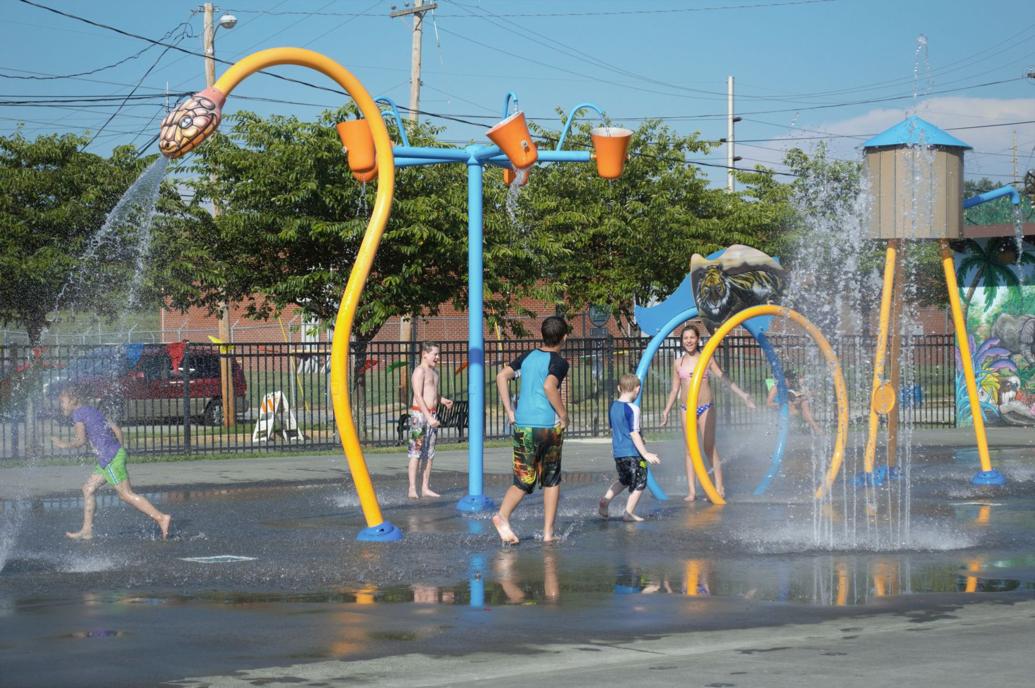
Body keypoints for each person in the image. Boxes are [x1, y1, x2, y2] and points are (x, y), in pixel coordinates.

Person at [52, 386, 171, 540]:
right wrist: (119, 451)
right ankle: (87, 530)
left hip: (109, 459)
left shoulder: (77, 415)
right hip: (110, 457)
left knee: (125, 494)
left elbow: (80, 441)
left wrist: (63, 444)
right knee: (88, 489)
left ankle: (161, 517)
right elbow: (117, 430)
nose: (61, 406)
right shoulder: (93, 411)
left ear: (73, 401)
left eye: (63, 402)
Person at [492, 315, 570, 545]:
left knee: (524, 480)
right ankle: (547, 534)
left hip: (523, 426)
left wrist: (510, 411)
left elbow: (501, 376)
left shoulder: (528, 356)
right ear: (564, 338)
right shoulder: (559, 362)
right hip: (548, 427)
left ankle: (502, 515)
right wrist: (564, 415)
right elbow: (549, 386)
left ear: (542, 336)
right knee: (551, 479)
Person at [661, 324, 755, 501]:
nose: (688, 341)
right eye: (685, 338)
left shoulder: (706, 358)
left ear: (697, 339)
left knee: (708, 447)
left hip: (705, 407)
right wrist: (666, 411)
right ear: (682, 341)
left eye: (692, 337)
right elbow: (674, 390)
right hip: (685, 409)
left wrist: (744, 396)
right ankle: (691, 491)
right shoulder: (677, 363)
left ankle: (719, 487)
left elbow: (723, 378)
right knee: (689, 449)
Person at [598, 373, 661, 522]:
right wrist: (645, 454)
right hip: (633, 453)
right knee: (640, 480)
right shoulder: (633, 409)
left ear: (619, 388)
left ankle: (605, 500)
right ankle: (629, 513)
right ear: (637, 389)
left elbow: (616, 429)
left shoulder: (613, 406)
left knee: (624, 479)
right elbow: (633, 433)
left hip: (618, 453)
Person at [407, 342, 453, 499]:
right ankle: (412, 488)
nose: (438, 357)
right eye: (435, 354)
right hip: (420, 416)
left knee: (430, 453)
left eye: (438, 354)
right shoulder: (419, 372)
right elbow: (418, 396)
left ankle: (425, 487)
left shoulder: (435, 373)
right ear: (424, 354)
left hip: (432, 415)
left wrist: (443, 400)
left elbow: (432, 394)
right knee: (416, 451)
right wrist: (427, 416)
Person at [766, 369, 821, 435]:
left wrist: (808, 395)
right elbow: (768, 404)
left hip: (791, 407)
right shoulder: (776, 388)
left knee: (804, 403)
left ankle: (815, 428)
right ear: (784, 379)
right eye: (790, 380)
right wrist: (782, 404)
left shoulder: (791, 388)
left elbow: (797, 398)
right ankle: (815, 428)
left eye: (792, 380)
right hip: (781, 408)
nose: (791, 382)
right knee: (796, 406)